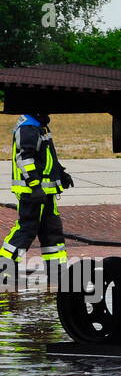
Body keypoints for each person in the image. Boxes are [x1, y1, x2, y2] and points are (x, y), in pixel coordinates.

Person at [3, 114, 71, 278]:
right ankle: (4, 270)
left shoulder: (39, 125)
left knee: (51, 231)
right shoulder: (29, 127)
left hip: (45, 192)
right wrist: (34, 186)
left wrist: (60, 173)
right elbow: (25, 158)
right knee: (27, 229)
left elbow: (47, 157)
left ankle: (58, 273)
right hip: (32, 192)